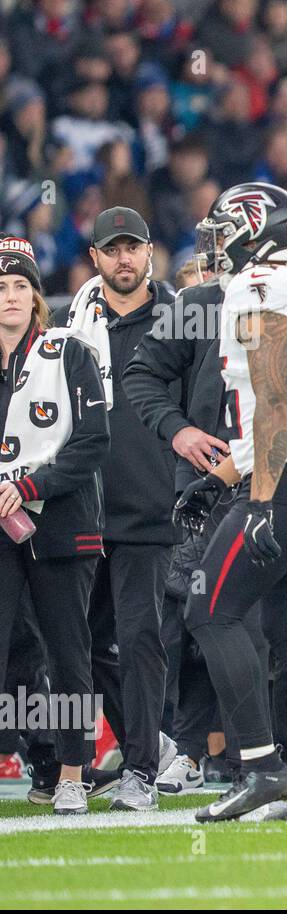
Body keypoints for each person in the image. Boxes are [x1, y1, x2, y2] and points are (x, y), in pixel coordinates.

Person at [175, 182, 287, 822]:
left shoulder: (256, 287)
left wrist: (255, 499)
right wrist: (224, 476)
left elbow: (275, 403)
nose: (220, 244)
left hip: (286, 482)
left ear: (255, 228)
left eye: (227, 229)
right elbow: (280, 413)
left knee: (209, 611)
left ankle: (262, 767)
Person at [48, 207, 178, 811]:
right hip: (83, 509)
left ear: (149, 252)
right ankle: (149, 746)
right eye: (112, 249)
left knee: (140, 637)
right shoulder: (67, 329)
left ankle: (144, 771)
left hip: (150, 506)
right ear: (94, 258)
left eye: (134, 248)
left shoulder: (184, 319)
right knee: (86, 645)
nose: (124, 259)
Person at [0, 235, 110, 815]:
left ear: (38, 297)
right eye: (1, 288)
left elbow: (94, 440)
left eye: (21, 286)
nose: (12, 297)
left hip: (61, 523)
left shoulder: (69, 352)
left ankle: (72, 772)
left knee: (69, 652)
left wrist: (28, 486)